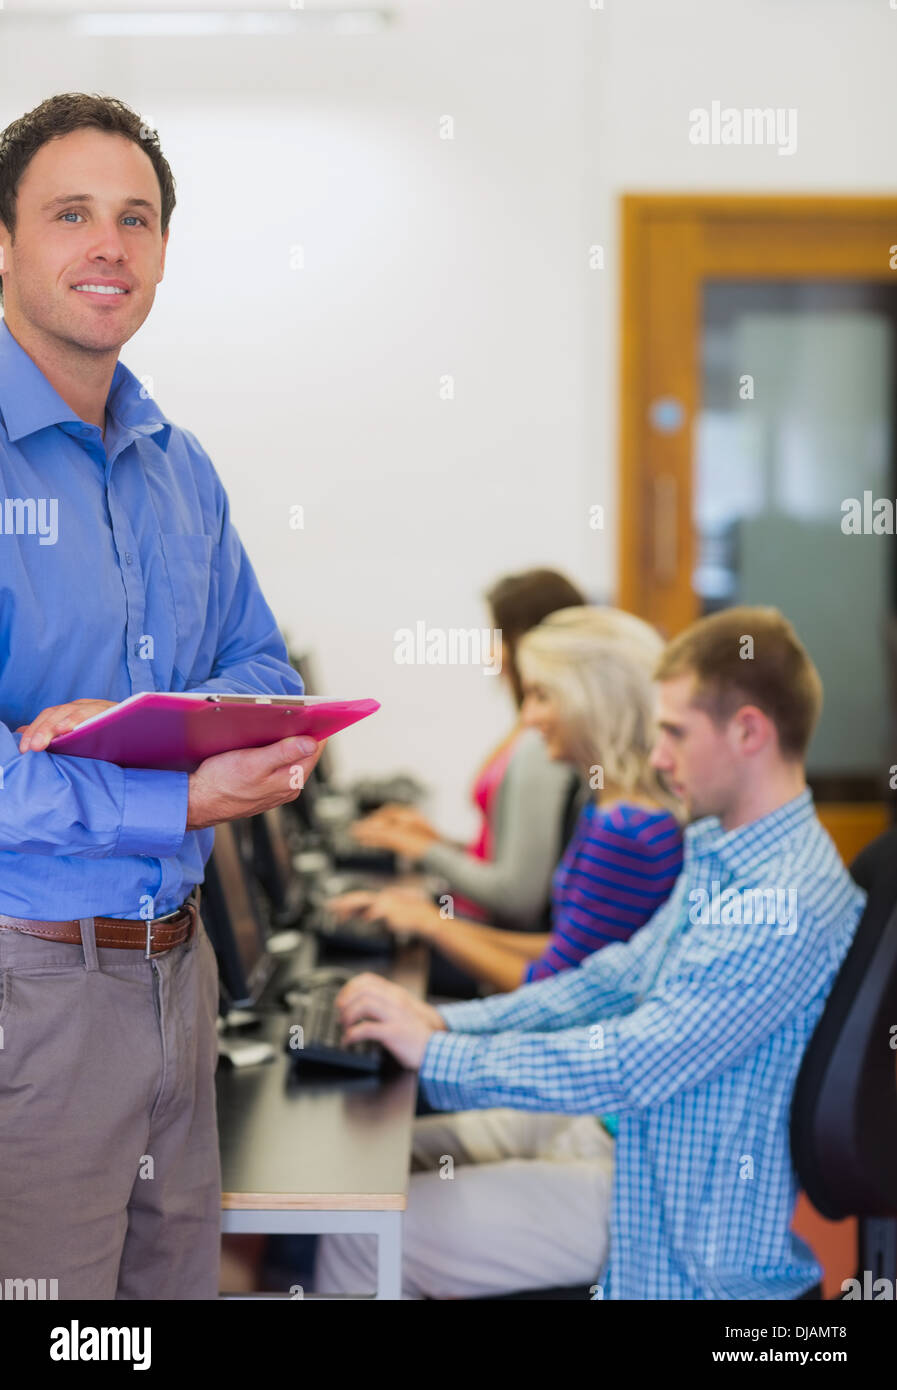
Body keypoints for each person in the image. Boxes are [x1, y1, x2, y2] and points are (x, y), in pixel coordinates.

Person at [0, 93, 323, 1300]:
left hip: (175, 981)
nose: (109, 246)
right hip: (29, 991)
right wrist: (173, 794)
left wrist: (144, 728)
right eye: (71, 213)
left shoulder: (178, 468)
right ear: (3, 241)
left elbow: (265, 672)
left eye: (136, 219)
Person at [317, 606, 866, 1299]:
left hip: (673, 1226)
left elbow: (631, 1060)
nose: (657, 756)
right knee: (366, 1172)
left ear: (747, 732)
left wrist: (440, 1056)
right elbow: (611, 978)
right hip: (632, 1144)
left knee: (360, 1230)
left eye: (673, 732)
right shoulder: (720, 853)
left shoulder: (783, 902)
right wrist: (449, 1025)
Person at [328, 607, 683, 992]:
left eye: (541, 696)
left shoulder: (625, 829)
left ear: (594, 702)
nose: (528, 717)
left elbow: (557, 986)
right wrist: (428, 917)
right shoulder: (605, 805)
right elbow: (567, 952)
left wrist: (434, 926)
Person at [348, 568, 586, 931]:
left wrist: (426, 852)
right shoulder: (529, 731)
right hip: (479, 921)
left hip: (492, 935)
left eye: (498, 636)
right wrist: (435, 842)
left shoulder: (541, 745)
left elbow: (516, 897)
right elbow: (506, 862)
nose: (493, 653)